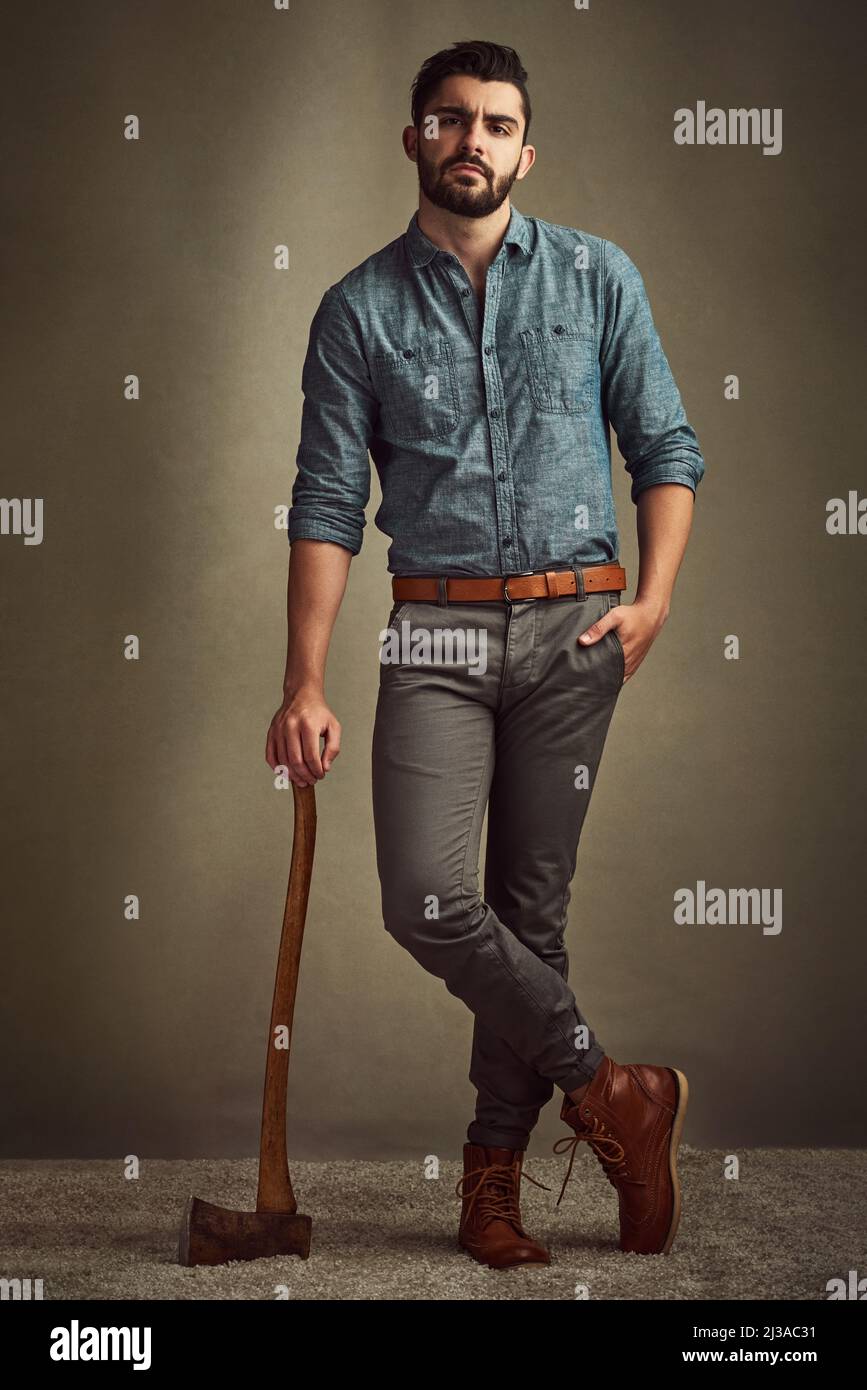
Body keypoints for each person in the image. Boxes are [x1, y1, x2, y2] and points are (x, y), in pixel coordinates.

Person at [266, 39, 704, 1269]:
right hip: (439, 629)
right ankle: (617, 1092)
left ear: (526, 148)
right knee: (430, 900)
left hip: (578, 627)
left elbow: (666, 449)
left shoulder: (596, 276)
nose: (473, 140)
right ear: (414, 139)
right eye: (449, 120)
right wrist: (305, 676)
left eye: (497, 123)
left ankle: (491, 1184)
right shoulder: (356, 308)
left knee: (530, 913)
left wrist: (656, 602)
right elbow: (324, 503)